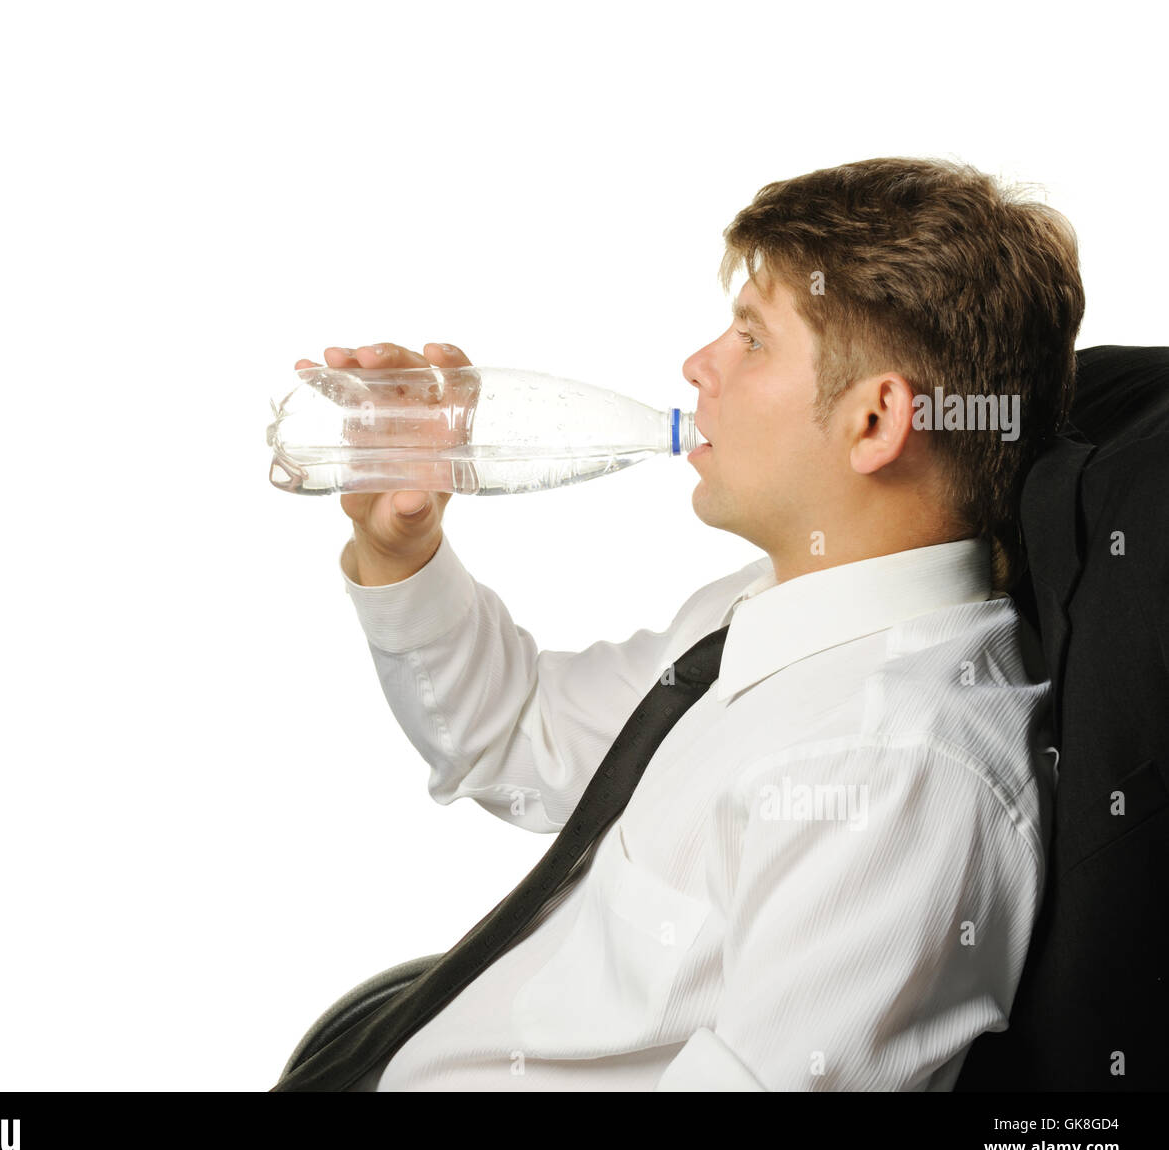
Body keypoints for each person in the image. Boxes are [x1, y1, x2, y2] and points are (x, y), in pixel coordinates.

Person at [296, 156, 1085, 1090]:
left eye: (752, 340)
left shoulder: (896, 777)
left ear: (875, 423)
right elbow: (518, 738)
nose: (698, 365)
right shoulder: (772, 612)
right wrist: (404, 550)